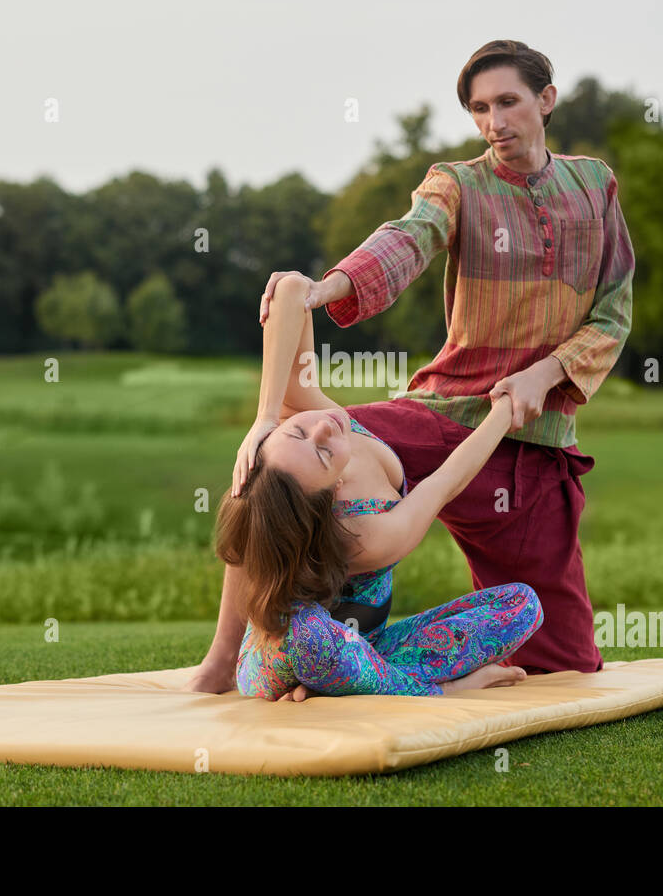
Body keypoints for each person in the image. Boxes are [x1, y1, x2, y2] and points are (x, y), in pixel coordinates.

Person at [186, 39, 634, 692]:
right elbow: (409, 237)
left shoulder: (595, 184)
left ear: (546, 99)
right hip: (436, 415)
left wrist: (547, 373)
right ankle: (227, 658)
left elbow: (613, 312)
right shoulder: (458, 182)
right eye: (479, 109)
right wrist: (322, 290)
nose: (494, 122)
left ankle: (385, 664)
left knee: (563, 664)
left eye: (507, 102)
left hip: (532, 443)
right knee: (270, 471)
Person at [216, 273, 543, 700]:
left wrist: (265, 415)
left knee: (522, 605)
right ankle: (438, 688)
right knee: (310, 635)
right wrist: (506, 410)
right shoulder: (365, 535)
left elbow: (292, 289)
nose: (322, 430)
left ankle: (338, 684)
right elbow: (445, 482)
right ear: (329, 498)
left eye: (294, 432)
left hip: (369, 650)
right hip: (287, 654)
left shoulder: (321, 422)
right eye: (321, 454)